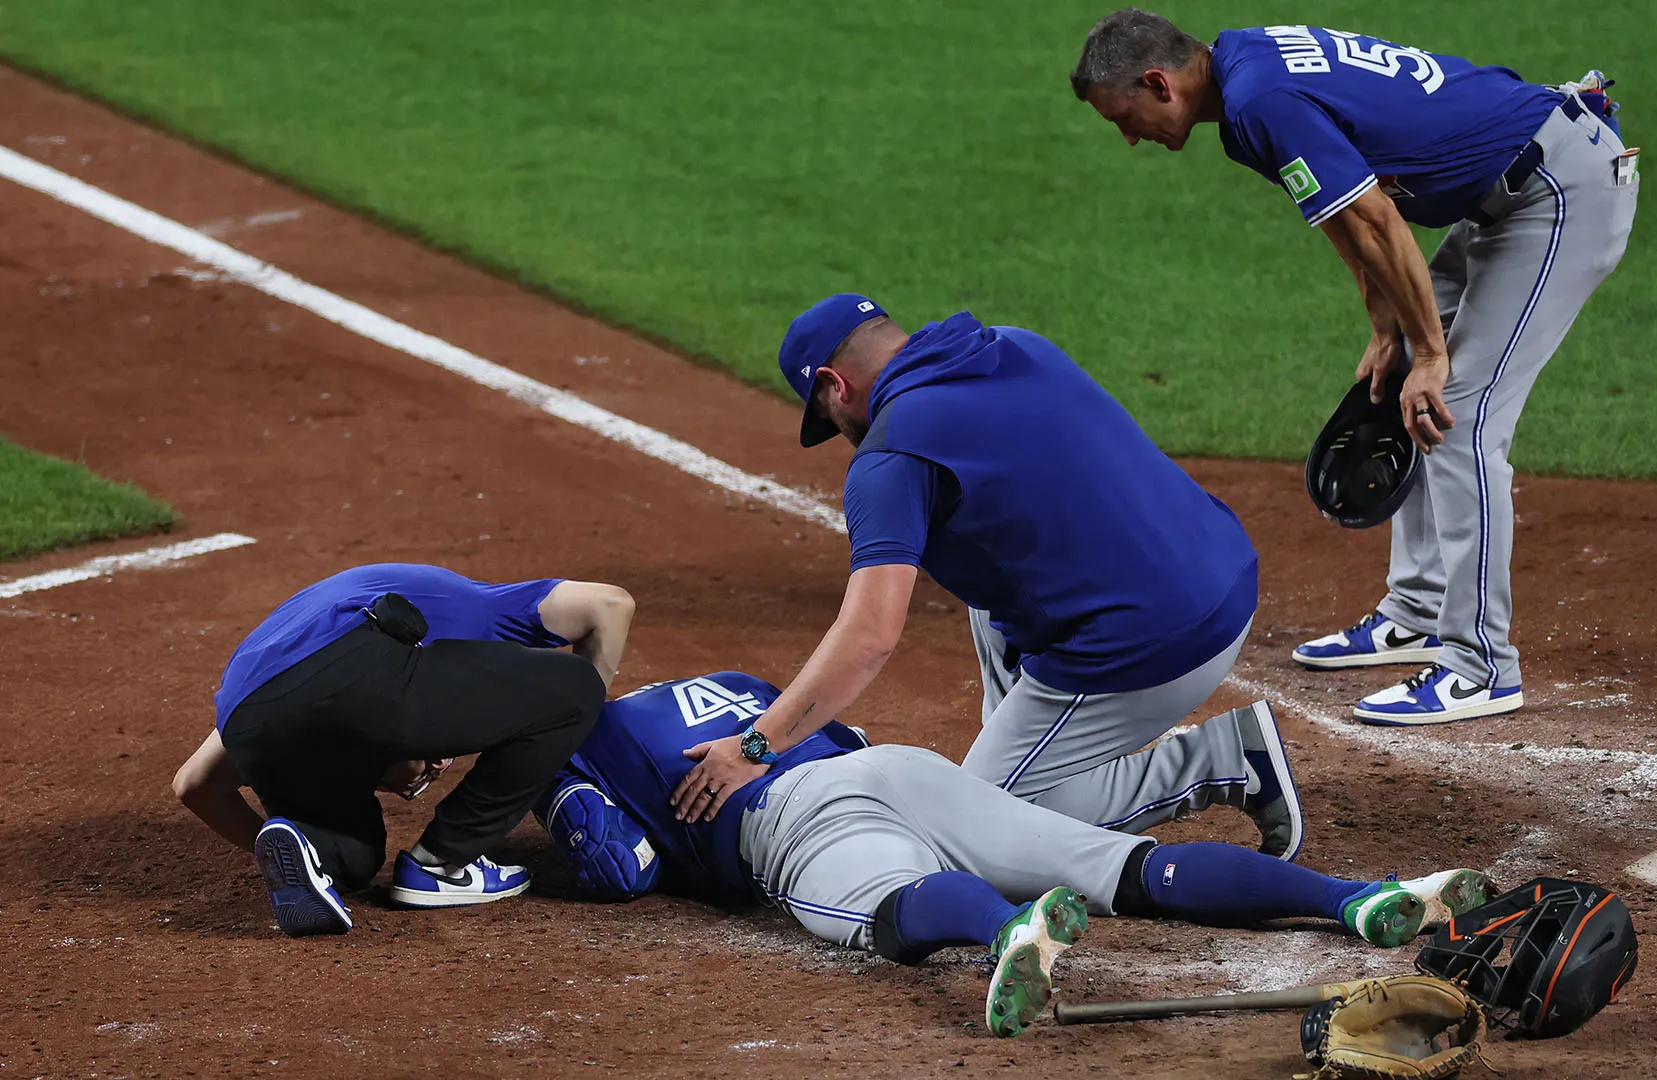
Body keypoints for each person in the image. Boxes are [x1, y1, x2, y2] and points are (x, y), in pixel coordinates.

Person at [1070, 11, 1638, 724]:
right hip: (1508, 188)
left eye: (1125, 116)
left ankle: (1481, 664)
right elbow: (1343, 212)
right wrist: (1387, 328)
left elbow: (1379, 220)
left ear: (1159, 82)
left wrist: (1430, 351)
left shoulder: (1258, 102)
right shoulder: (1243, 71)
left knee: (1458, 414)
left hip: (1560, 190)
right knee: (1405, 380)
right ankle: (1418, 606)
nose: (1128, 137)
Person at [675, 293, 1304, 860]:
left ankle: (1220, 762)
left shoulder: (890, 459)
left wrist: (756, 746)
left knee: (977, 827)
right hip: (1222, 569)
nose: (839, 435)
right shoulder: (1011, 344)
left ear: (836, 386)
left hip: (1157, 641)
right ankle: (1030, 754)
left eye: (826, 416)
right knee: (981, 535)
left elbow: (869, 635)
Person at [539, 671, 1494, 1036]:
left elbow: (621, 869)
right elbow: (852, 740)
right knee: (1128, 868)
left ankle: (1008, 933)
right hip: (906, 771)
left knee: (893, 906)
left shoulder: (573, 746)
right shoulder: (724, 684)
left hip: (800, 827)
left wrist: (553, 817)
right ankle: (1357, 900)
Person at [172, 563, 633, 936]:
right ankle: (441, 864)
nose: (438, 763)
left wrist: (264, 846)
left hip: (247, 716)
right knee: (575, 689)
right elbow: (610, 604)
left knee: (354, 857)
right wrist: (573, 740)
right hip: (351, 668)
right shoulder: (487, 610)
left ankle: (310, 853)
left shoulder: (301, 637)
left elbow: (195, 785)